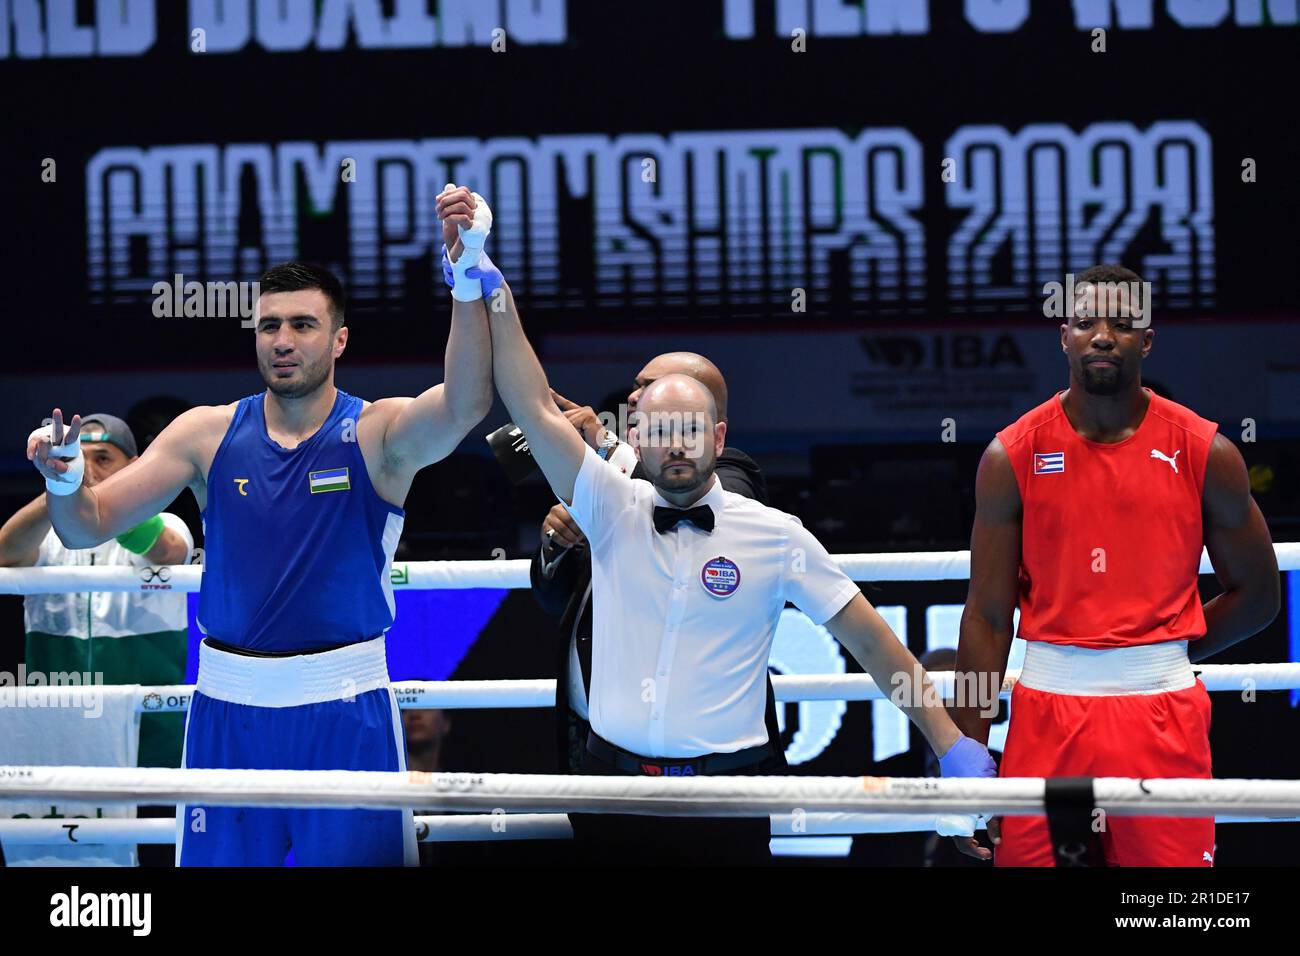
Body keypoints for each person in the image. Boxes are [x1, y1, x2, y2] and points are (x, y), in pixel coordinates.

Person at [439, 185, 995, 865]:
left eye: (692, 430)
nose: (677, 446)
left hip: (730, 798)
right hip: (611, 794)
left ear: (720, 435)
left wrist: (952, 746)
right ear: (634, 437)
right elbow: (527, 399)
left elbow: (877, 647)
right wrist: (484, 274)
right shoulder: (606, 505)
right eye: (662, 431)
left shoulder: (776, 534)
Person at [26, 212, 494, 865]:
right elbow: (87, 528)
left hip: (346, 708)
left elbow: (468, 401)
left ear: (339, 340)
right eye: (269, 325)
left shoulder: (377, 435)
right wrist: (66, 477)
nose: (282, 339)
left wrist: (468, 274)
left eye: (303, 324)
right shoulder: (205, 434)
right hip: (227, 711)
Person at [951, 264, 1280, 866]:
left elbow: (1259, 596)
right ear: (1065, 335)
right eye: (1086, 322)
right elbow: (987, 619)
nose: (1104, 335)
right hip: (1044, 713)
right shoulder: (1012, 455)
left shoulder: (1205, 452)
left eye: (1123, 324)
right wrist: (969, 754)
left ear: (1146, 339)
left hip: (1163, 715)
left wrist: (1160, 651)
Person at [530, 358, 771, 773]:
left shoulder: (730, 472)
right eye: (636, 386)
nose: (632, 396)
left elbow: (691, 503)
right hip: (591, 735)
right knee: (596, 838)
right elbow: (555, 601)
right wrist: (556, 545)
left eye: (651, 385)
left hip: (701, 751)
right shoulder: (604, 479)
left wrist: (609, 448)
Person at [0, 413, 193, 771]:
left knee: (156, 826)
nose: (88, 469)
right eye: (80, 458)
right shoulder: (48, 537)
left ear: (135, 467)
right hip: (60, 733)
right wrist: (60, 487)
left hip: (146, 734)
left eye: (103, 458)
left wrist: (109, 504)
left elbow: (167, 551)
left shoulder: (168, 524)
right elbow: (4, 553)